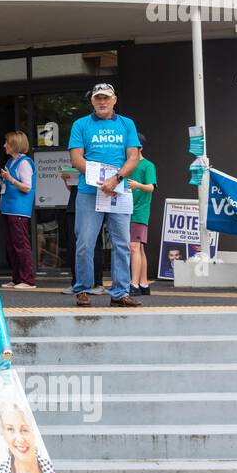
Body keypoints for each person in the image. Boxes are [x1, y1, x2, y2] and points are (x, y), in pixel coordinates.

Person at [68, 83, 141, 308]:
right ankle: (83, 289)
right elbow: (76, 158)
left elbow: (133, 157)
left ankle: (120, 293)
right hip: (90, 191)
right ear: (92, 101)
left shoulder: (127, 124)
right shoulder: (81, 124)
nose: (102, 102)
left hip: (118, 190)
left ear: (114, 100)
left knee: (121, 244)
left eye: (106, 98)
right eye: (98, 98)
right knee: (85, 242)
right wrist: (97, 179)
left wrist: (115, 180)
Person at [0, 394, 60, 473]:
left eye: (24, 430)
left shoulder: (54, 469)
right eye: (10, 429)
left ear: (35, 432)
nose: (19, 439)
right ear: (3, 433)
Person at [0, 130, 36, 289]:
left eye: (7, 143)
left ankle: (28, 280)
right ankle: (17, 278)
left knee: (20, 244)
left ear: (15, 145)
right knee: (12, 245)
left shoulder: (24, 163)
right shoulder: (10, 162)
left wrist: (10, 179)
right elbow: (8, 185)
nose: (4, 145)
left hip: (19, 209)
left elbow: (26, 187)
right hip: (8, 208)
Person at [63, 168, 104, 294]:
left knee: (94, 244)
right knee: (75, 245)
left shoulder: (94, 164)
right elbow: (72, 189)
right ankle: (76, 282)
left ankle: (97, 283)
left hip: (93, 204)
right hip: (74, 206)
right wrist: (66, 180)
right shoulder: (76, 166)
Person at [126, 133, 157, 296]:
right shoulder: (126, 165)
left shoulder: (147, 165)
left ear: (140, 148)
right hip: (127, 210)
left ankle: (134, 284)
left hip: (139, 211)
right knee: (139, 248)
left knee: (134, 247)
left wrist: (138, 185)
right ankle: (144, 283)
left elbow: (151, 187)